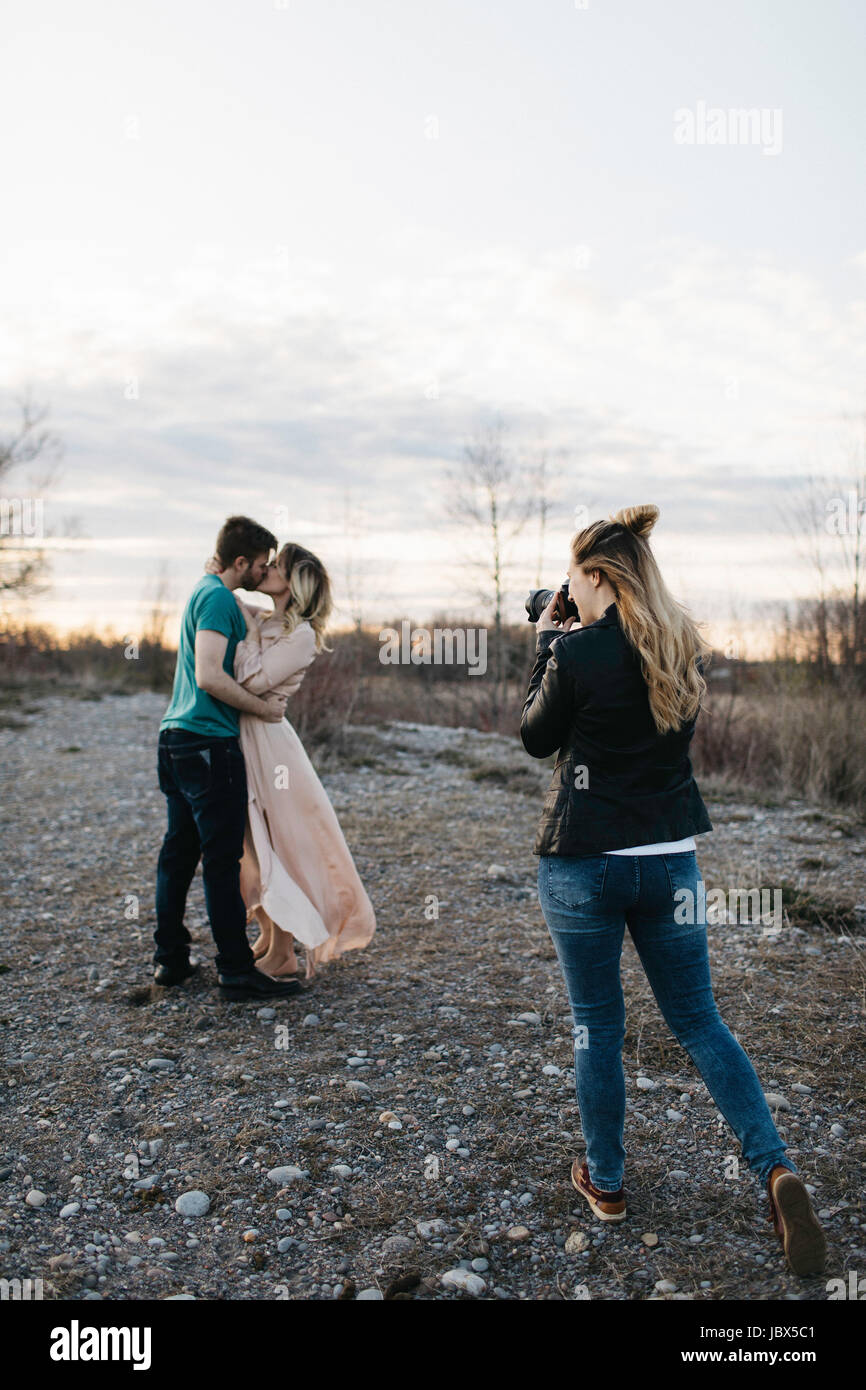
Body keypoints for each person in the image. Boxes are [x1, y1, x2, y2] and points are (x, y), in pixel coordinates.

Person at [520, 503, 826, 1277]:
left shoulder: (576, 652)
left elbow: (533, 737)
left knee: (598, 1025)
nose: (569, 590)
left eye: (574, 578)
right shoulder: (681, 645)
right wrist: (569, 639)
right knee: (699, 1021)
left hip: (585, 860)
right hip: (669, 863)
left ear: (597, 576)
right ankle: (775, 1168)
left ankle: (609, 1182)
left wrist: (546, 646)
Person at [204, 541, 376, 980]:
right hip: (245, 735)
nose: (267, 569)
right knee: (251, 847)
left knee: (275, 843)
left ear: (294, 582)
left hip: (269, 745)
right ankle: (268, 935)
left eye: (277, 565)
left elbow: (249, 679)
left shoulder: (299, 637)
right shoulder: (265, 619)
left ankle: (284, 951)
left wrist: (241, 627)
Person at [154, 515, 301, 1002]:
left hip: (176, 739)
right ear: (241, 562)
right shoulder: (217, 598)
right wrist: (264, 709)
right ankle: (236, 970)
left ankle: (170, 959)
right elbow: (210, 676)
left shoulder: (203, 591)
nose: (263, 571)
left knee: (178, 853)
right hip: (207, 741)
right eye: (260, 564)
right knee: (221, 860)